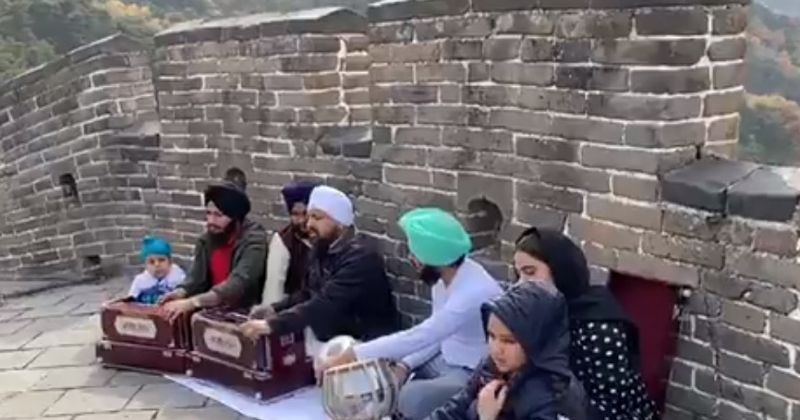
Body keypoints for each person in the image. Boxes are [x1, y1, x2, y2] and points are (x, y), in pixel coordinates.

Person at [321, 207, 503, 420]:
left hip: (470, 370)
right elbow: (438, 335)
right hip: (444, 357)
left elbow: (423, 335)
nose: (411, 259)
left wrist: (354, 355)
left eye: (414, 253)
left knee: (411, 397)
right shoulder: (444, 278)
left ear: (433, 254)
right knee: (385, 375)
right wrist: (404, 366)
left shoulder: (473, 292)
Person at [513, 227, 657, 420]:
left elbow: (613, 410)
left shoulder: (598, 327)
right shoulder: (537, 312)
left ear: (560, 271)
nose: (520, 284)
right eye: (518, 274)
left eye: (530, 272)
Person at [240, 185, 399, 353]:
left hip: (364, 345)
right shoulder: (321, 248)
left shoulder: (361, 258)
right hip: (330, 340)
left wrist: (272, 324)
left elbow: (324, 303)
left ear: (340, 223)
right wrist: (273, 308)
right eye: (309, 217)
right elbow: (308, 293)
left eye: (317, 217)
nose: (309, 224)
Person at [427, 281, 575, 420]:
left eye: (509, 341)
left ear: (536, 339)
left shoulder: (554, 397)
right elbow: (454, 410)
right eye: (491, 336)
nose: (496, 349)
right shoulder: (490, 368)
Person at [158, 181, 267, 319]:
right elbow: (196, 278)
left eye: (218, 215)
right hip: (212, 310)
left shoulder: (254, 241)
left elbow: (238, 283)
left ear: (236, 218)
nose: (211, 221)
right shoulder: (206, 240)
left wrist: (193, 302)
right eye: (208, 213)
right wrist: (181, 292)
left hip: (246, 312)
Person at [259, 181, 317, 305]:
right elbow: (274, 289)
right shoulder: (282, 242)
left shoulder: (325, 239)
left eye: (305, 213)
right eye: (295, 214)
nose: (302, 220)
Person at [128, 235, 186, 304]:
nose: (157, 265)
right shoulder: (140, 281)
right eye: (151, 262)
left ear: (170, 262)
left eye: (161, 260)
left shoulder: (178, 277)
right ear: (145, 265)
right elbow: (130, 301)